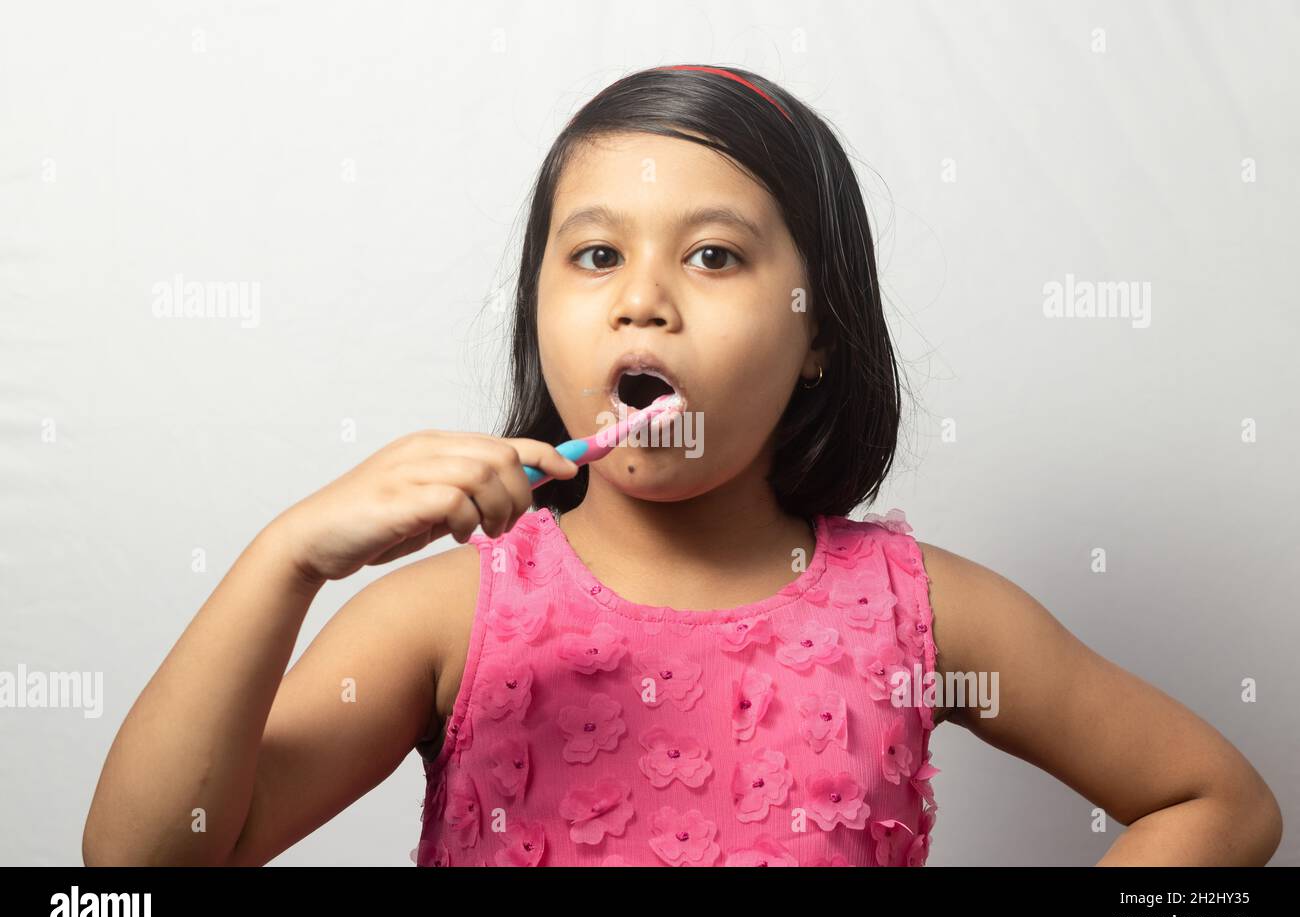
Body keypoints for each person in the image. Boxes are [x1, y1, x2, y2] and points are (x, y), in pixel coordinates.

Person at [83, 65, 1282, 867]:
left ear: (819, 333)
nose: (642, 301)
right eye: (594, 253)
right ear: (538, 310)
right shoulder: (450, 615)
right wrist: (283, 557)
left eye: (713, 257)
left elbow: (1221, 805)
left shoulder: (925, 617)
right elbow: (136, 873)